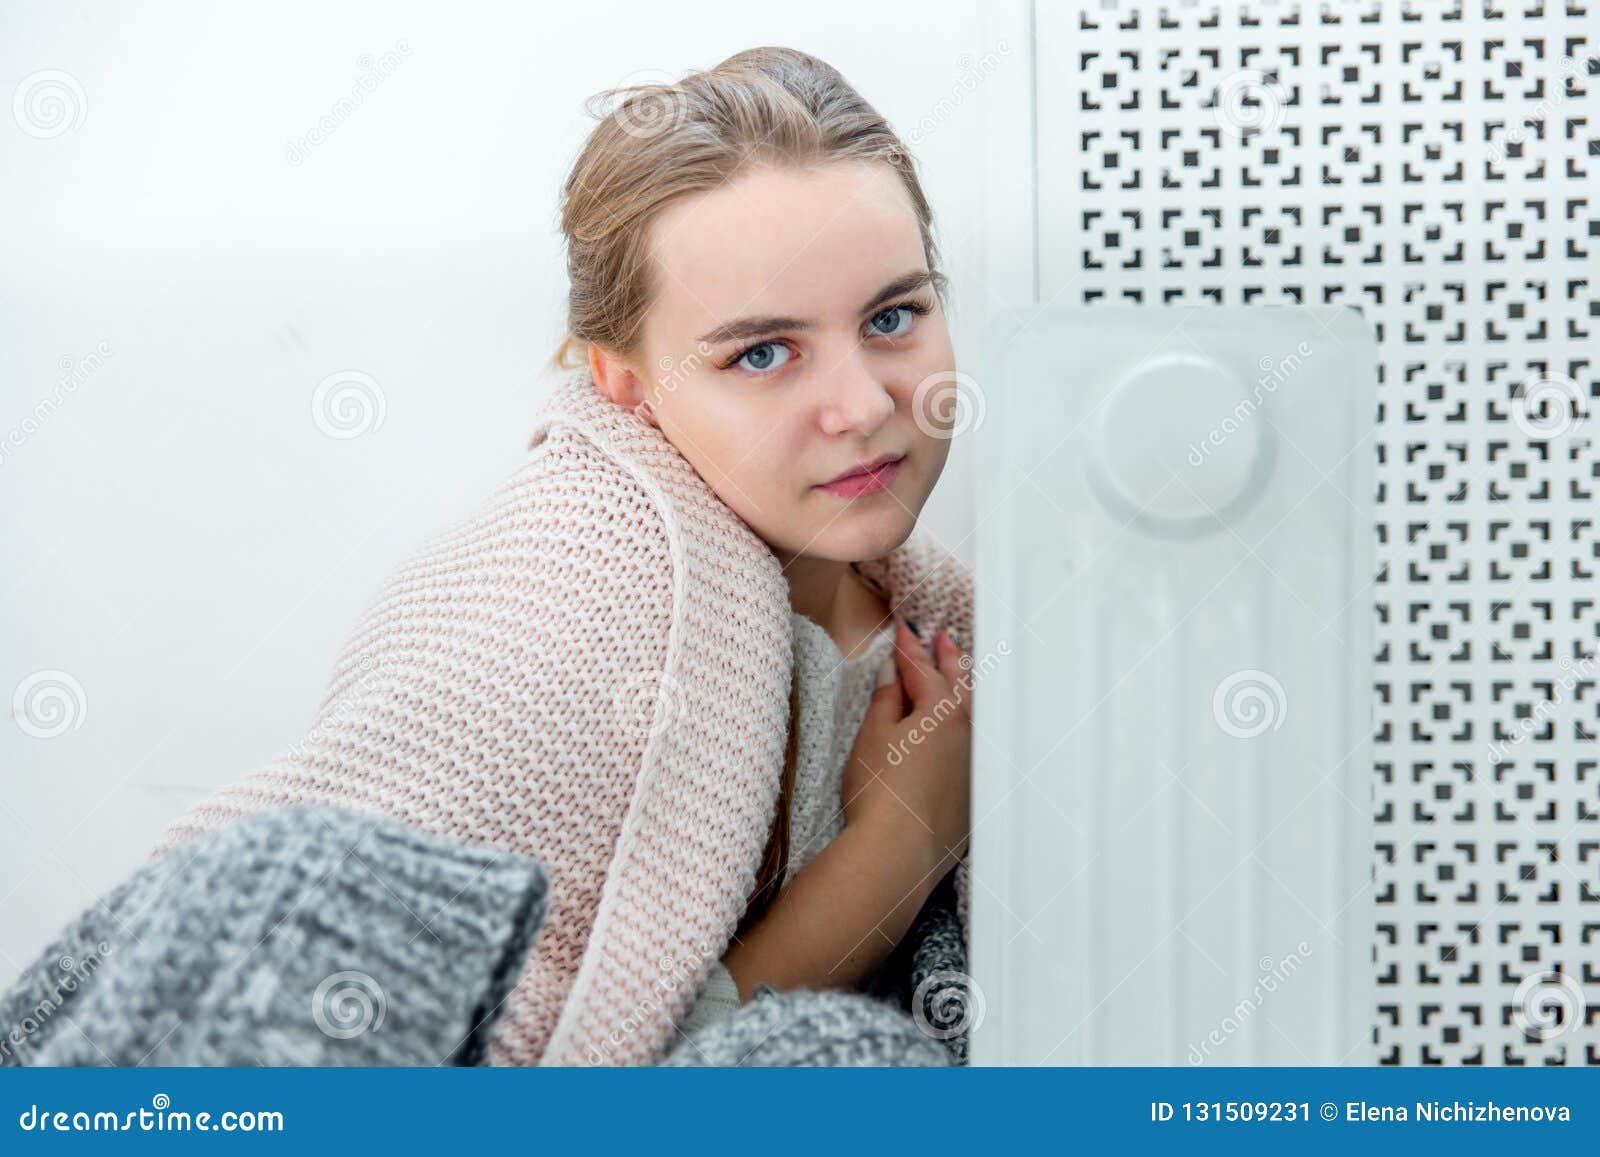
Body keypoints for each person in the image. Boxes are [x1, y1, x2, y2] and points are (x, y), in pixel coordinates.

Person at [151, 45, 977, 1067]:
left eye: (894, 316)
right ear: (619, 378)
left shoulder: (939, 621)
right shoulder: (559, 615)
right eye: (761, 353)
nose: (862, 408)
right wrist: (900, 846)